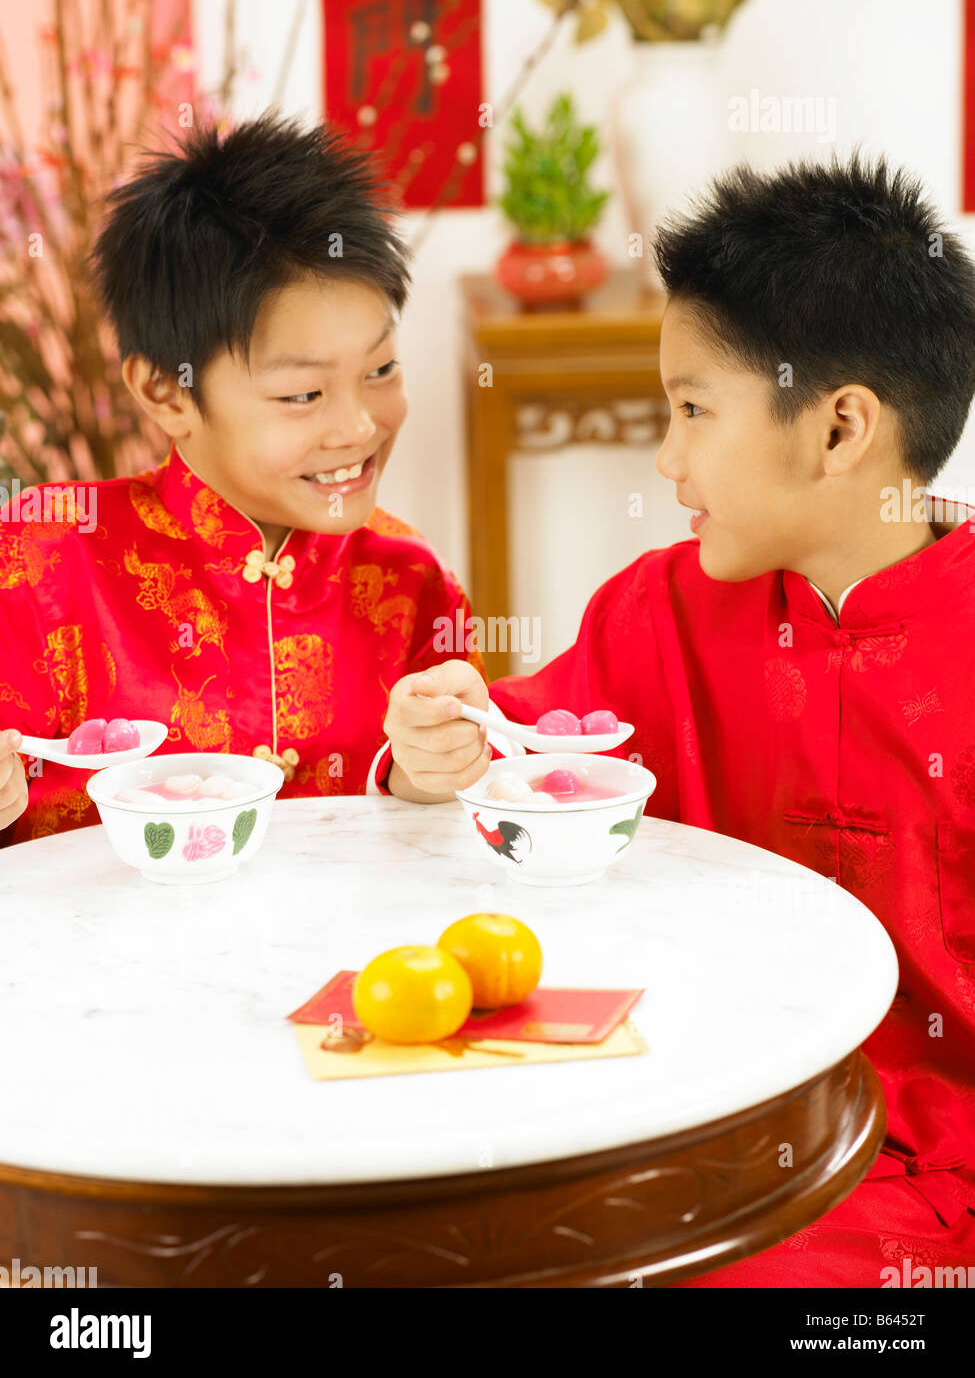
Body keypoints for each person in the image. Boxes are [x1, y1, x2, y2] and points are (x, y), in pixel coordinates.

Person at [380, 150, 975, 1283]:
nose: (666, 455)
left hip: (933, 1186)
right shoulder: (662, 608)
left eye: (694, 409)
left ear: (840, 429)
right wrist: (429, 753)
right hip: (697, 1126)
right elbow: (513, 750)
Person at [0, 109, 490, 846]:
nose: (357, 426)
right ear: (167, 392)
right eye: (302, 395)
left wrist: (427, 774)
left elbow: (438, 847)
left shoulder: (412, 585)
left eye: (380, 370)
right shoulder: (40, 558)